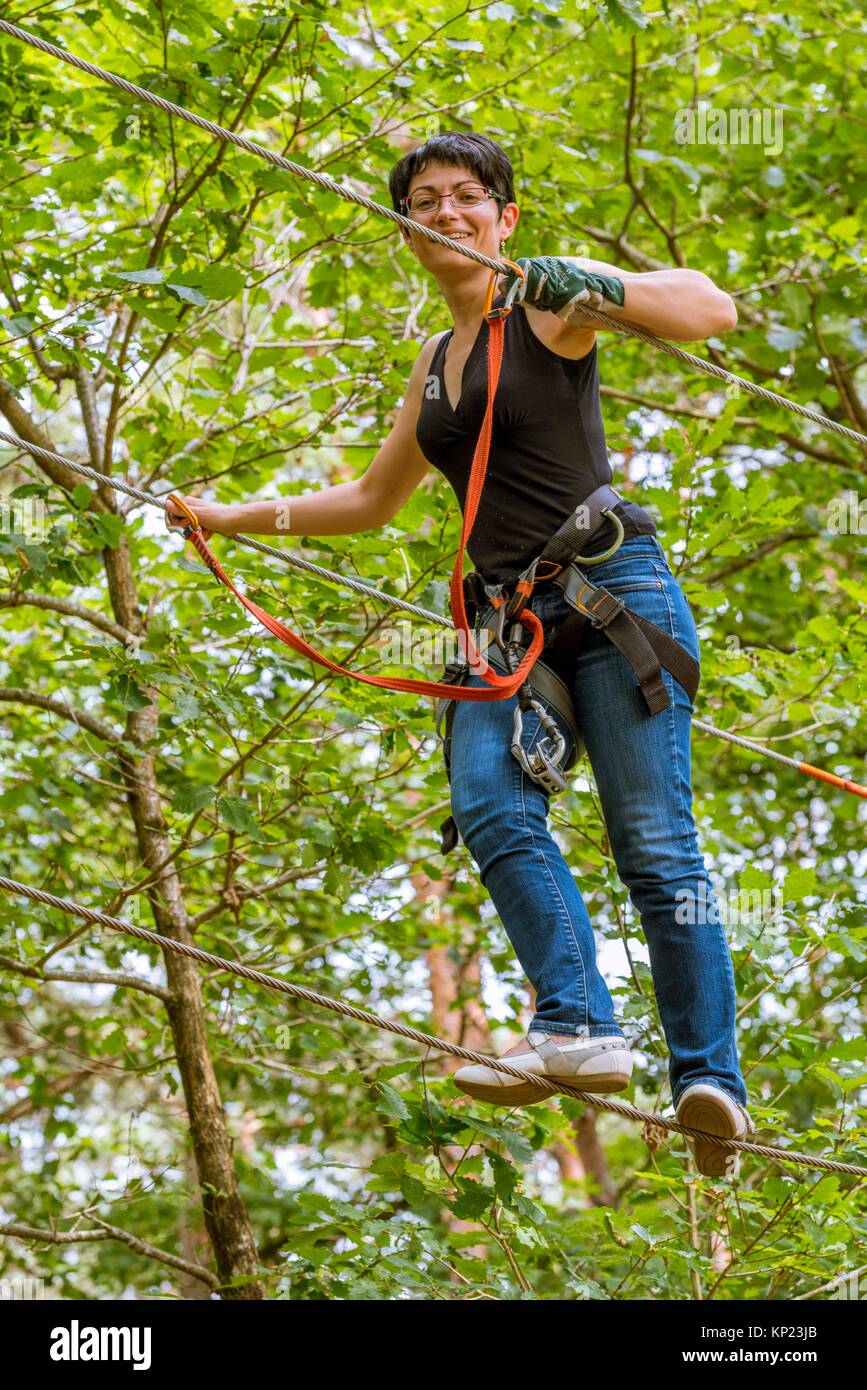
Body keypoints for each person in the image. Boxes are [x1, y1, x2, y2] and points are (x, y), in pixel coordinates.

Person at [166, 132, 752, 1177]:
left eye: (465, 198)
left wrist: (600, 284)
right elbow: (369, 500)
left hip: (613, 593)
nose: (444, 214)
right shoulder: (435, 365)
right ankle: (577, 1023)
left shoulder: (547, 309)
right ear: (408, 228)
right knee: (487, 800)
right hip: (508, 625)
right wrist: (230, 516)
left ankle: (708, 1077)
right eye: (424, 201)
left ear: (503, 218)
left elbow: (711, 309)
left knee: (654, 844)